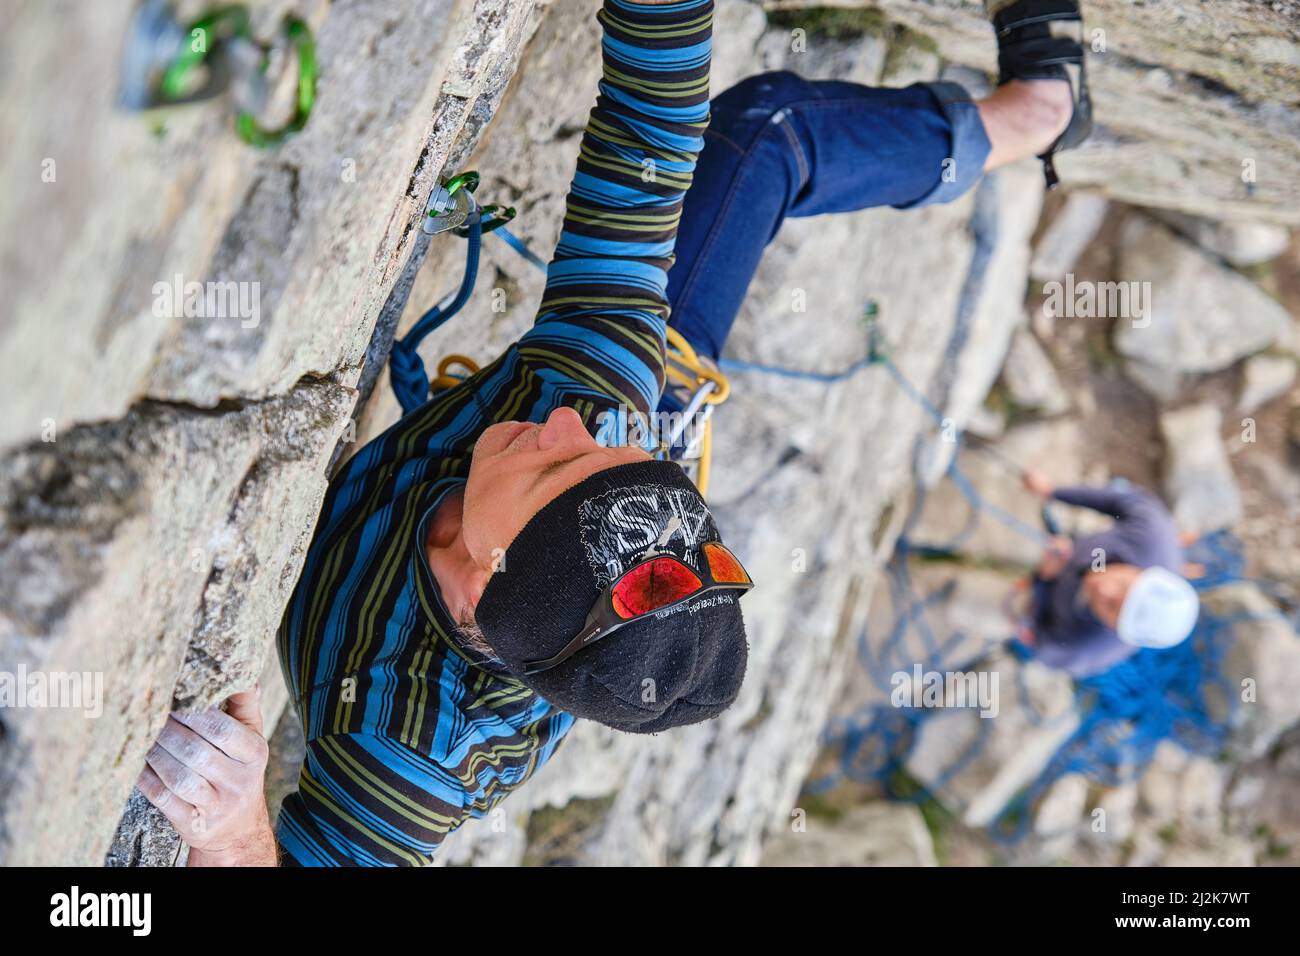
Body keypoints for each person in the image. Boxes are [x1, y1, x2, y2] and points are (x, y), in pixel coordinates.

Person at [134, 0, 1097, 865]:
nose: (555, 423)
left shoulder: (412, 748)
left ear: (479, 583)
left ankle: (1041, 115)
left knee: (772, 139)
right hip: (646, 406)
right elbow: (650, 132)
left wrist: (233, 831)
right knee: (756, 138)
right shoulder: (594, 400)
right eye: (602, 452)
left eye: (559, 464)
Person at [1018, 469, 1200, 677]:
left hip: (1050, 591)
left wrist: (1043, 582)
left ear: (1114, 629)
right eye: (1122, 585)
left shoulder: (1086, 648)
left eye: (1111, 607)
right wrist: (1053, 491)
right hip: (1078, 552)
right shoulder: (1151, 533)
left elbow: (1040, 644)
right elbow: (1120, 499)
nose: (1103, 588)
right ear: (1143, 572)